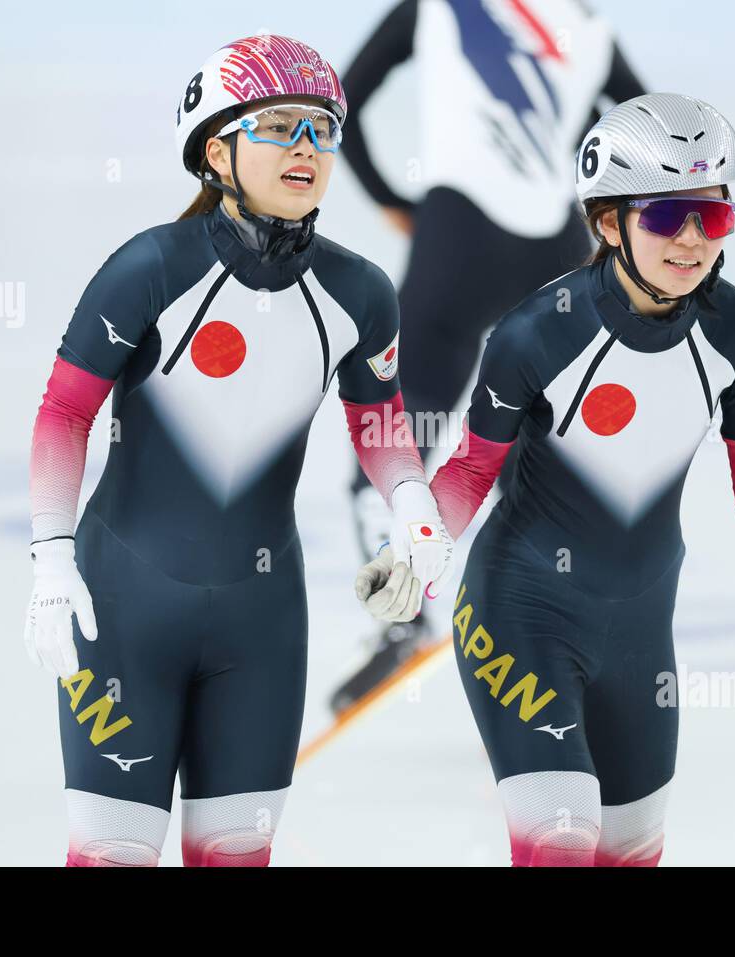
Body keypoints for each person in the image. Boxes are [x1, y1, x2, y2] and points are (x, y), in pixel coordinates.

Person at [359, 92, 735, 866]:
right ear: (609, 222)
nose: (690, 241)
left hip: (640, 632)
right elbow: (475, 465)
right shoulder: (538, 332)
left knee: (630, 851)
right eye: (664, 217)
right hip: (520, 612)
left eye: (711, 218)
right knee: (561, 837)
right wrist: (413, 544)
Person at [24, 34, 451, 867]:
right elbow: (62, 415)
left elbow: (381, 426)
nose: (307, 147)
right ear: (217, 149)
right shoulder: (148, 267)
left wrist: (413, 509)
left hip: (260, 626)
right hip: (122, 612)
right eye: (281, 126)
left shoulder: (360, 293)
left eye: (322, 130)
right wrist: (49, 560)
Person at [332, 0, 648, 712]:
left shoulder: (436, 7)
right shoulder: (592, 31)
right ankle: (546, 638)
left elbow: (342, 103)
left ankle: (402, 622)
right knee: (543, 473)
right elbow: (655, 140)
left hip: (454, 243)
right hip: (557, 253)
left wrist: (393, 202)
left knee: (392, 446)